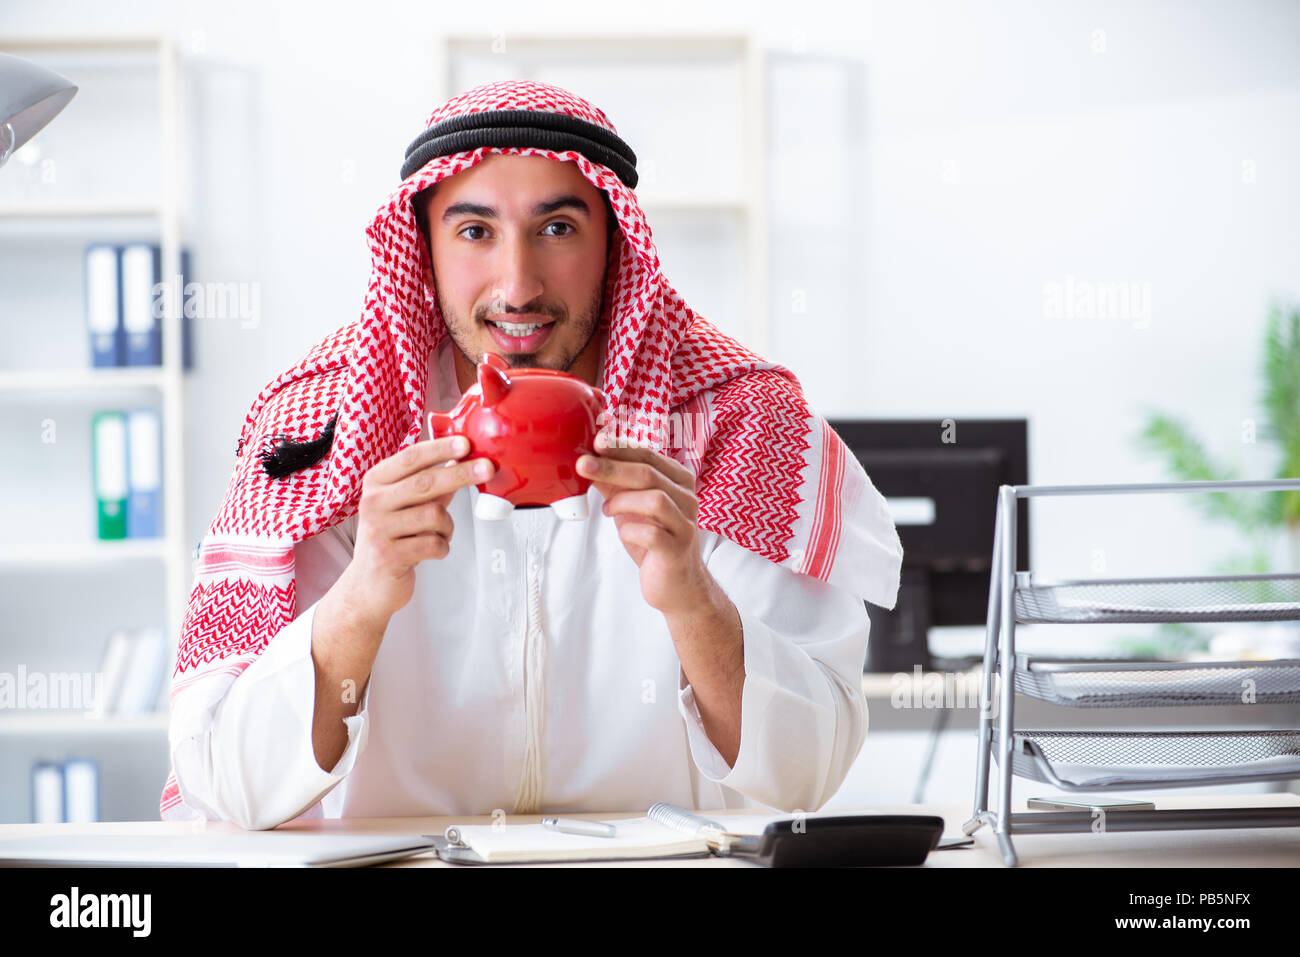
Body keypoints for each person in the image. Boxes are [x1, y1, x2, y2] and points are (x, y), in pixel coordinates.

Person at [159, 80, 903, 828]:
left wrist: (691, 595)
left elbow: (810, 772)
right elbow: (226, 783)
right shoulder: (320, 429)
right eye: (475, 231)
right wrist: (364, 591)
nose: (517, 286)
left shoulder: (740, 426)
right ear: (424, 249)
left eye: (556, 228)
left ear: (614, 244)